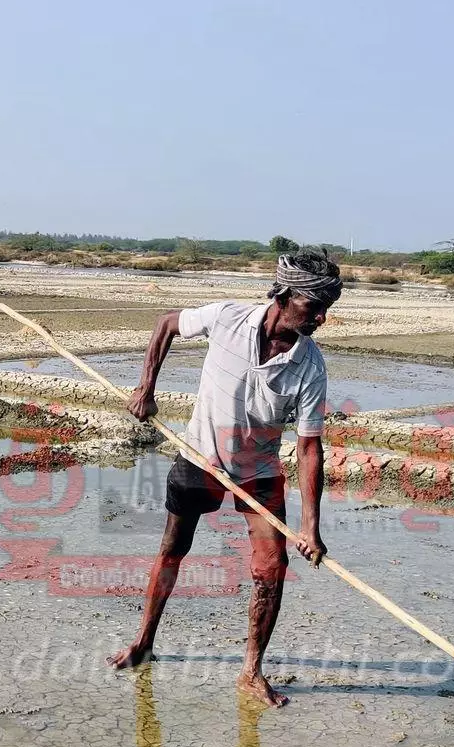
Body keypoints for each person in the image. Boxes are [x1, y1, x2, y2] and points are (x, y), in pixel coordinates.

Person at [106, 249, 343, 707]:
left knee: (272, 569)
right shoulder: (227, 318)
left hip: (259, 472)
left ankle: (251, 671)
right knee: (173, 551)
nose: (321, 318)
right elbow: (166, 325)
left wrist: (310, 526)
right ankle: (144, 642)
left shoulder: (310, 366)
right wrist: (145, 389)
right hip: (200, 458)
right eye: (313, 306)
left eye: (325, 308)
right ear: (283, 295)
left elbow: (311, 446)